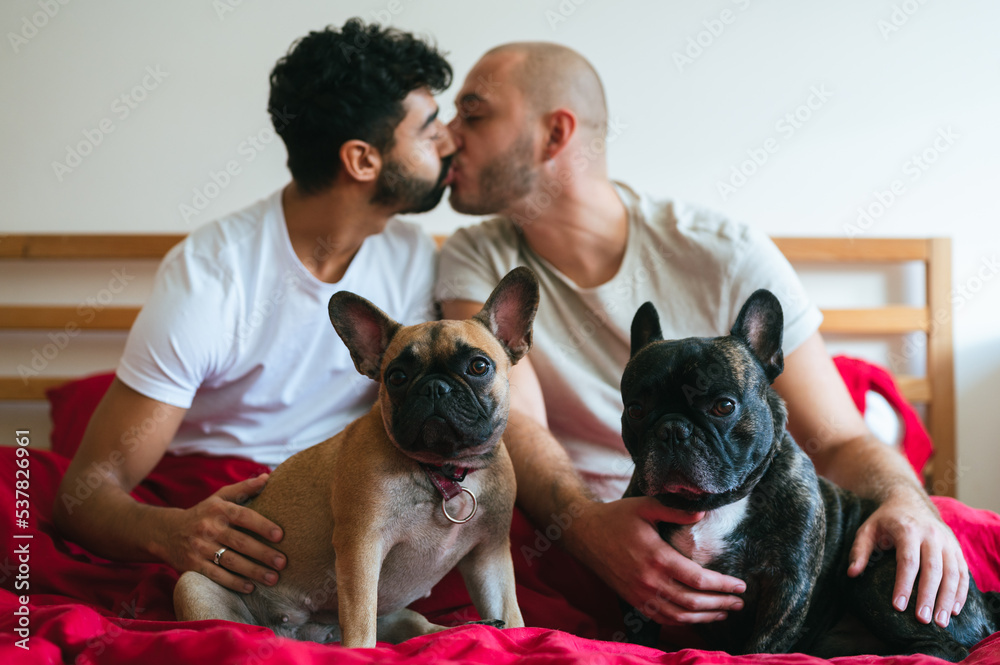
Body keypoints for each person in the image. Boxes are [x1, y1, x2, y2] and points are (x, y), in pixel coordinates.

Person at [436, 42, 968, 633]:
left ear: (555, 133)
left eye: (472, 113)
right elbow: (515, 422)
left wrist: (907, 499)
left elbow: (839, 439)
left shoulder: (722, 252)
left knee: (940, 543)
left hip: (757, 531)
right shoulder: (477, 258)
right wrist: (587, 528)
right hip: (584, 531)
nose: (445, 134)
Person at [53, 19, 456, 596]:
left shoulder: (414, 254)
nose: (449, 141)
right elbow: (86, 491)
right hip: (226, 496)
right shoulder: (211, 273)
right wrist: (173, 533)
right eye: (429, 129)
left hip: (347, 493)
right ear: (363, 160)